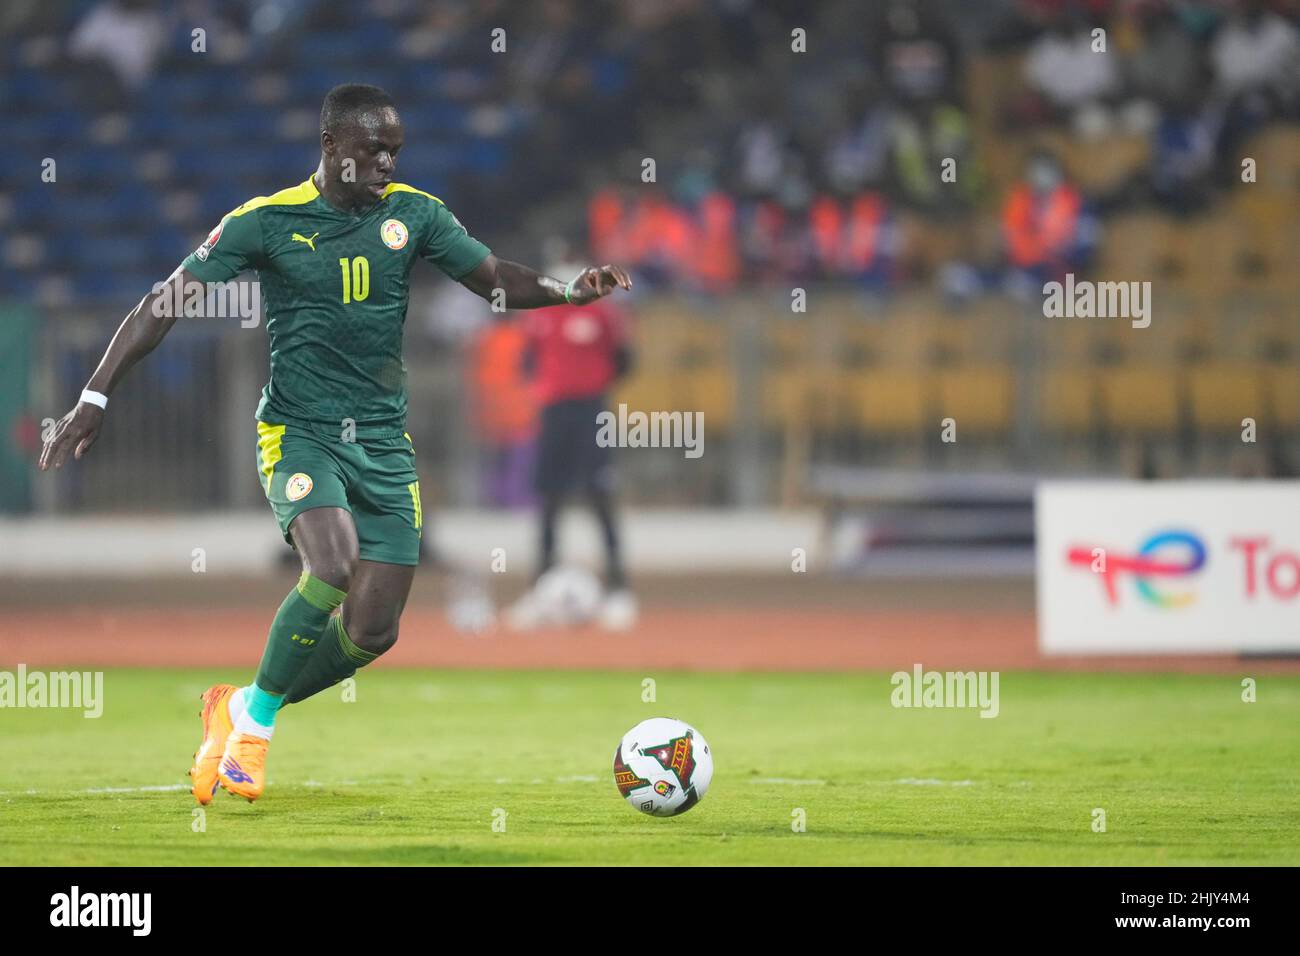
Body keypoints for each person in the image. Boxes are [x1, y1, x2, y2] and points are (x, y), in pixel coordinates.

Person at [37, 83, 631, 804]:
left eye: (395, 151)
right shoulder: (267, 222)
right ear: (331, 147)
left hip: (382, 441)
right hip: (299, 431)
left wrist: (568, 291)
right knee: (332, 564)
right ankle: (253, 739)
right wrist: (94, 396)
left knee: (373, 633)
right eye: (373, 149)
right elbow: (163, 303)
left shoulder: (416, 216)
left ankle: (240, 706)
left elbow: (495, 280)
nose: (386, 162)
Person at [506, 261, 637, 631]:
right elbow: (527, 360)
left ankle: (619, 590)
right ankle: (538, 589)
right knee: (549, 499)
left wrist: (591, 384)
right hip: (554, 412)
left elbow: (625, 359)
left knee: (601, 495)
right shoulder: (541, 314)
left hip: (591, 411)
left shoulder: (605, 314)